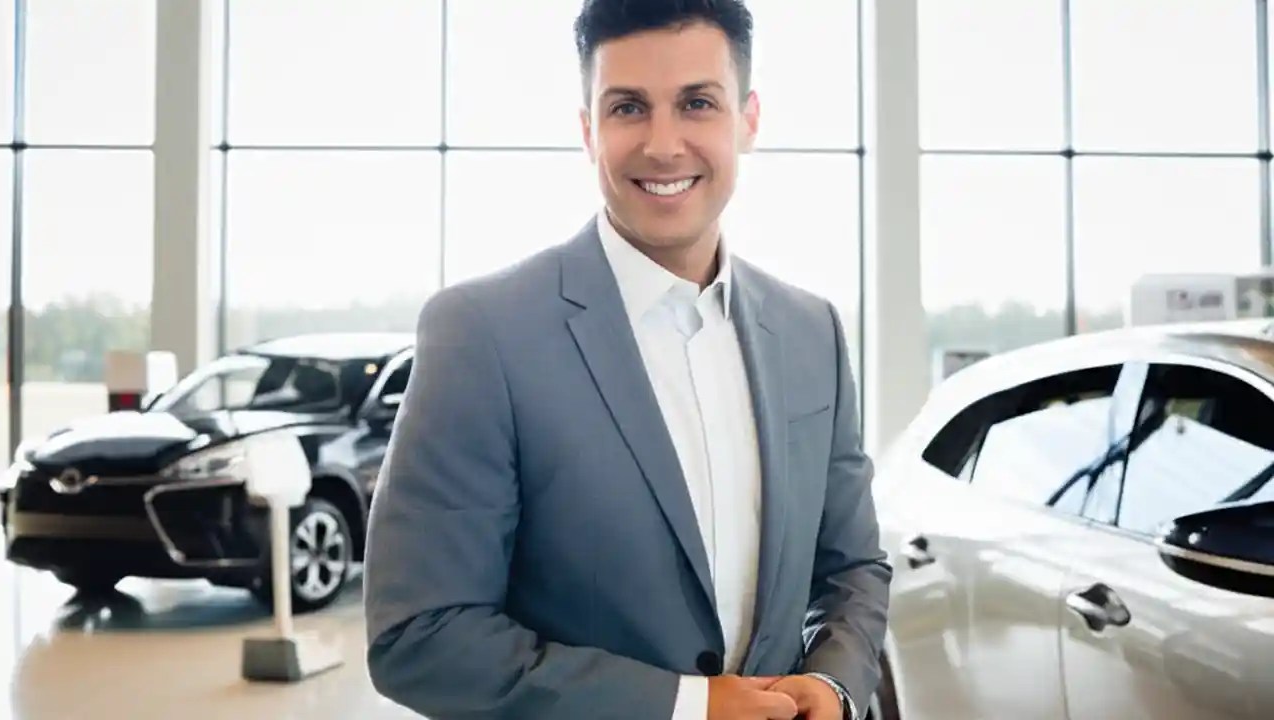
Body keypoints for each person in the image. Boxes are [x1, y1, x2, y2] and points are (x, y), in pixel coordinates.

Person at [363, 1, 892, 718]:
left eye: (697, 103)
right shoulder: (481, 334)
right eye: (628, 108)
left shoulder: (811, 332)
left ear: (748, 120)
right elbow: (421, 636)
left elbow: (852, 568)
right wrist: (687, 707)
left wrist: (833, 683)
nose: (664, 145)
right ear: (589, 130)